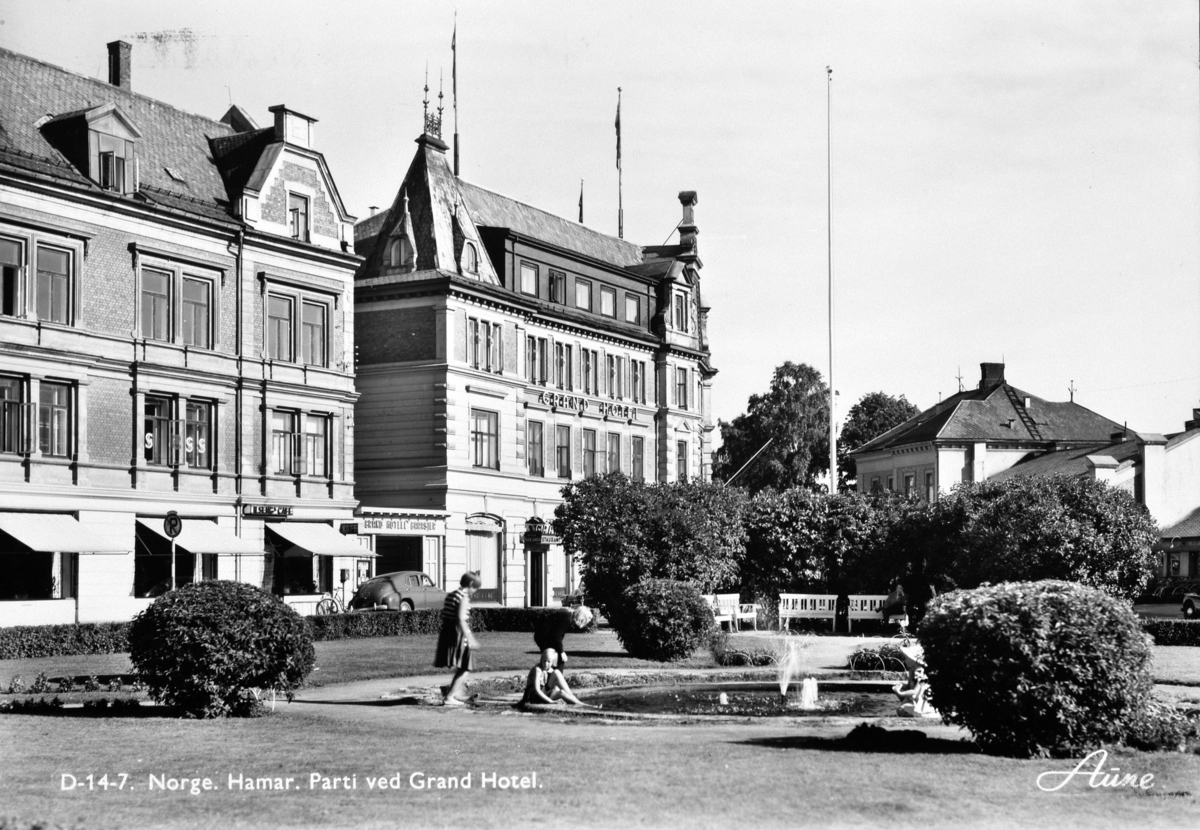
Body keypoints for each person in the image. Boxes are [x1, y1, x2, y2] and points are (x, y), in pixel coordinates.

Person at [434, 572, 481, 706]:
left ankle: (451, 692)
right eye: (475, 588)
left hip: (448, 632)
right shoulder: (463, 597)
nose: (475, 591)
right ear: (471, 584)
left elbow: (444, 615)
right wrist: (470, 638)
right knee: (466, 666)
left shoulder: (451, 595)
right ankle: (449, 697)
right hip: (459, 634)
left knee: (462, 665)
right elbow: (461, 619)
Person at [521, 648, 591, 706]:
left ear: (553, 662)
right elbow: (537, 690)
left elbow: (554, 683)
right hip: (533, 696)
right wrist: (551, 701)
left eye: (548, 661)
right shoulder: (538, 669)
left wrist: (557, 691)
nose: (546, 663)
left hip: (543, 692)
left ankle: (580, 703)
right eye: (544, 661)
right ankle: (583, 704)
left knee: (562, 691)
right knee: (557, 674)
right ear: (541, 659)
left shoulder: (550, 669)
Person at [533, 605, 594, 670]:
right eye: (584, 621)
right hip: (544, 637)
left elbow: (557, 634)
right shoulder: (567, 619)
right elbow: (557, 635)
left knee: (549, 659)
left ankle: (550, 676)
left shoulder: (568, 616)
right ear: (581, 617)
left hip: (543, 636)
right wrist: (562, 652)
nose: (583, 624)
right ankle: (555, 677)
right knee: (558, 659)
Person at [893, 643, 939, 719]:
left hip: (921, 703)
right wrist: (900, 686)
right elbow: (909, 687)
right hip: (915, 700)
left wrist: (900, 693)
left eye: (906, 658)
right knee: (901, 709)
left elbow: (915, 691)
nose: (905, 660)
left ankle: (918, 713)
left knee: (902, 709)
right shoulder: (912, 672)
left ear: (913, 660)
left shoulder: (920, 673)